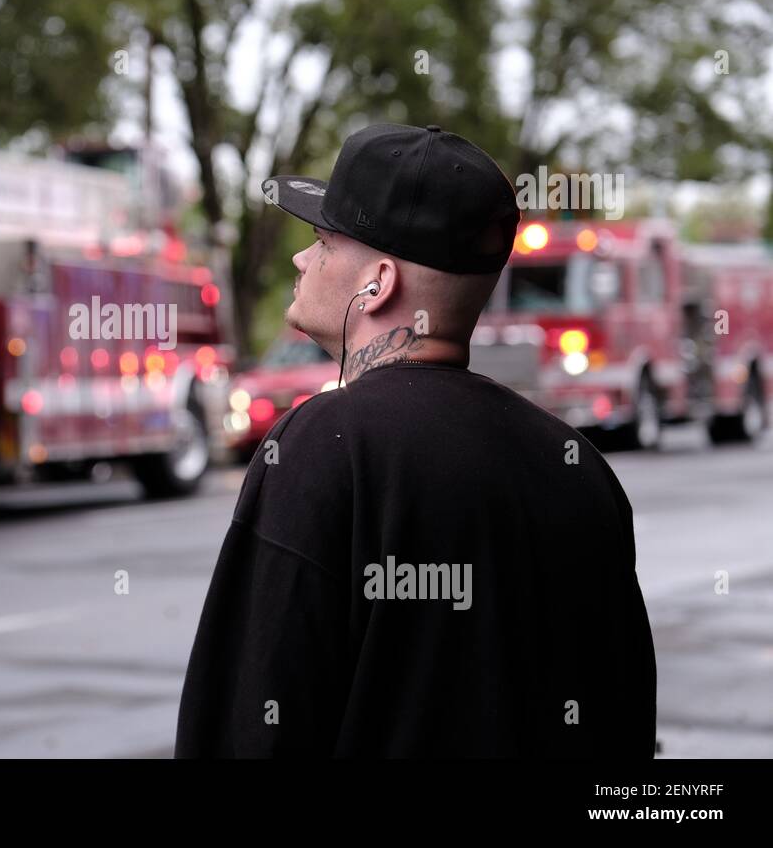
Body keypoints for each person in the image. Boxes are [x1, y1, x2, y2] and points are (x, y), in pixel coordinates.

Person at [174, 123, 657, 757]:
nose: (301, 258)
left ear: (378, 282)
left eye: (321, 241)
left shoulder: (324, 447)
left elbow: (249, 721)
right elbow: (625, 721)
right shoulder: (581, 469)